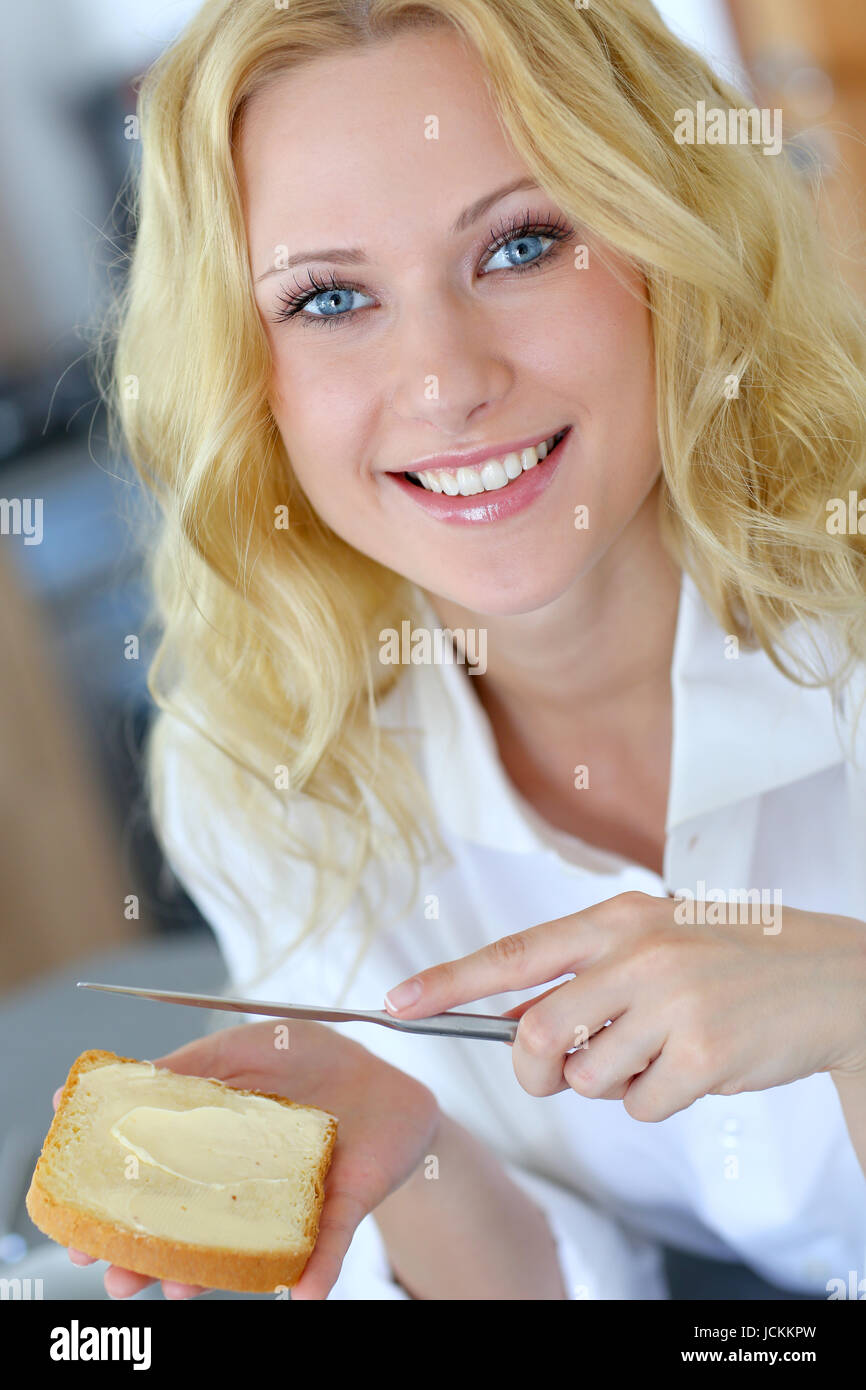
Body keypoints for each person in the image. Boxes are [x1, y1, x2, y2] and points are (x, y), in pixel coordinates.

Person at [67, 0, 866, 1299]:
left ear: (680, 245)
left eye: (521, 243)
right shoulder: (267, 758)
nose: (442, 379)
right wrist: (421, 1152)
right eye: (327, 296)